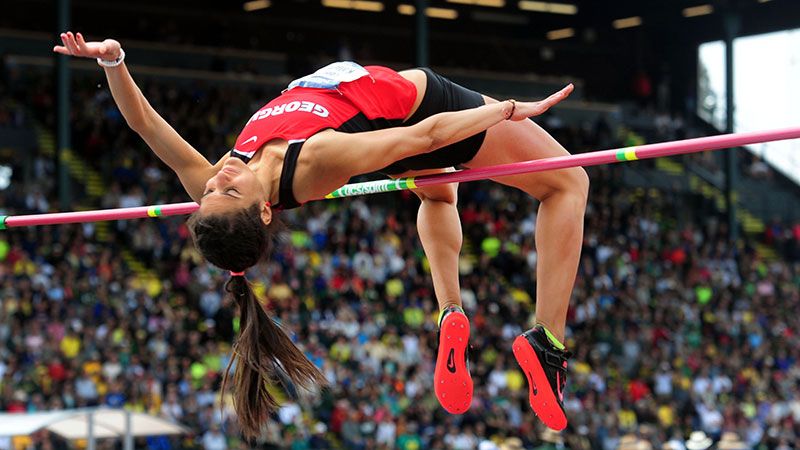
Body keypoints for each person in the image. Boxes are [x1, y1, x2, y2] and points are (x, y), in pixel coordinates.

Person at [54, 31, 588, 436]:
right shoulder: (314, 161)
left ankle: (451, 312)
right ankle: (548, 340)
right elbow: (423, 135)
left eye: (211, 188)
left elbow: (146, 124)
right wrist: (506, 110)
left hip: (389, 124)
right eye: (228, 189)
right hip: (423, 109)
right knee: (568, 183)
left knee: (437, 192)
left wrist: (113, 60)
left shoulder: (221, 181)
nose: (219, 176)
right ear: (264, 211)